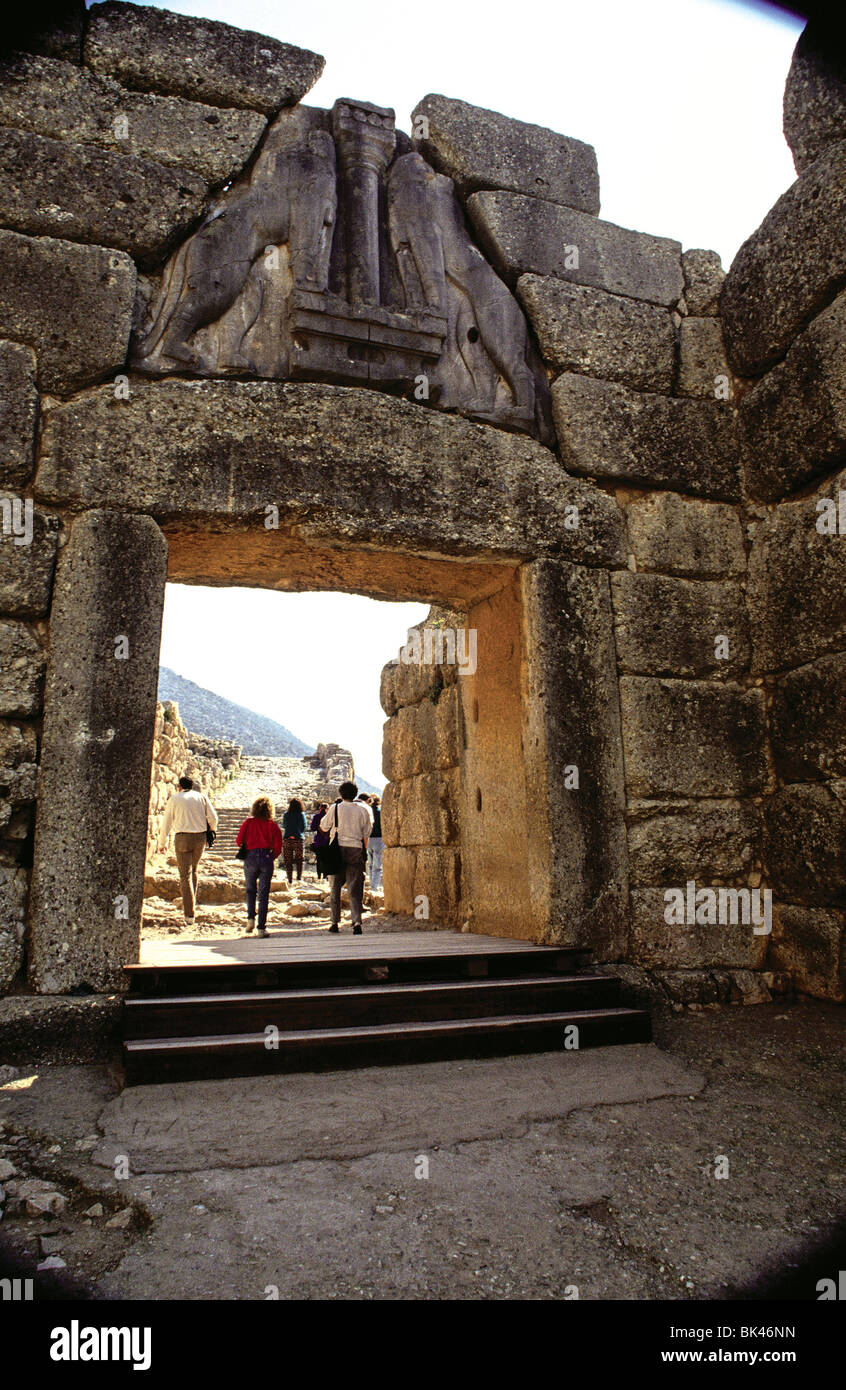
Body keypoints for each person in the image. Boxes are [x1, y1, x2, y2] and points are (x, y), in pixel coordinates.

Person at [159, 776, 218, 927]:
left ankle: (189, 913)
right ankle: (192, 905)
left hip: (182, 837)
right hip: (199, 838)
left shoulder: (175, 799)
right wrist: (211, 831)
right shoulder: (201, 797)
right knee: (194, 871)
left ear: (179, 786)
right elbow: (213, 818)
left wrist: (162, 843)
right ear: (192, 786)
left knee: (184, 875)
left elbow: (167, 822)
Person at [320, 781, 371, 934]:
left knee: (335, 886)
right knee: (355, 887)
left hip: (337, 849)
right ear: (355, 794)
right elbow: (366, 832)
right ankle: (356, 922)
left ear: (341, 793)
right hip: (355, 848)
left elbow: (323, 826)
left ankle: (334, 922)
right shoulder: (363, 810)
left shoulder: (335, 808)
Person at [235, 797, 283, 937]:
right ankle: (261, 928)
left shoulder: (248, 822)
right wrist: (270, 857)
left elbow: (238, 841)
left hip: (250, 857)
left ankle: (250, 919)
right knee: (263, 894)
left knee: (250, 890)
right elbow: (278, 847)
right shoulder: (272, 825)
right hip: (266, 858)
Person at [282, 797, 307, 884]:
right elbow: (304, 826)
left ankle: (290, 879)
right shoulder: (301, 814)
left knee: (288, 860)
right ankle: (299, 878)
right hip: (298, 839)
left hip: (287, 839)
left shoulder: (286, 814)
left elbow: (284, 825)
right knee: (299, 860)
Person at [368, 793, 384, 892]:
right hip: (379, 839)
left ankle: (371, 884)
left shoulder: (368, 812)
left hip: (369, 839)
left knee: (370, 864)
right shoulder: (381, 812)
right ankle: (374, 887)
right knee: (377, 866)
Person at [310, 803, 329, 879]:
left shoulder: (316, 816)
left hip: (319, 841)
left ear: (320, 808)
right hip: (327, 841)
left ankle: (319, 876)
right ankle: (325, 875)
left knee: (319, 858)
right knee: (327, 859)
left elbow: (312, 828)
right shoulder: (329, 817)